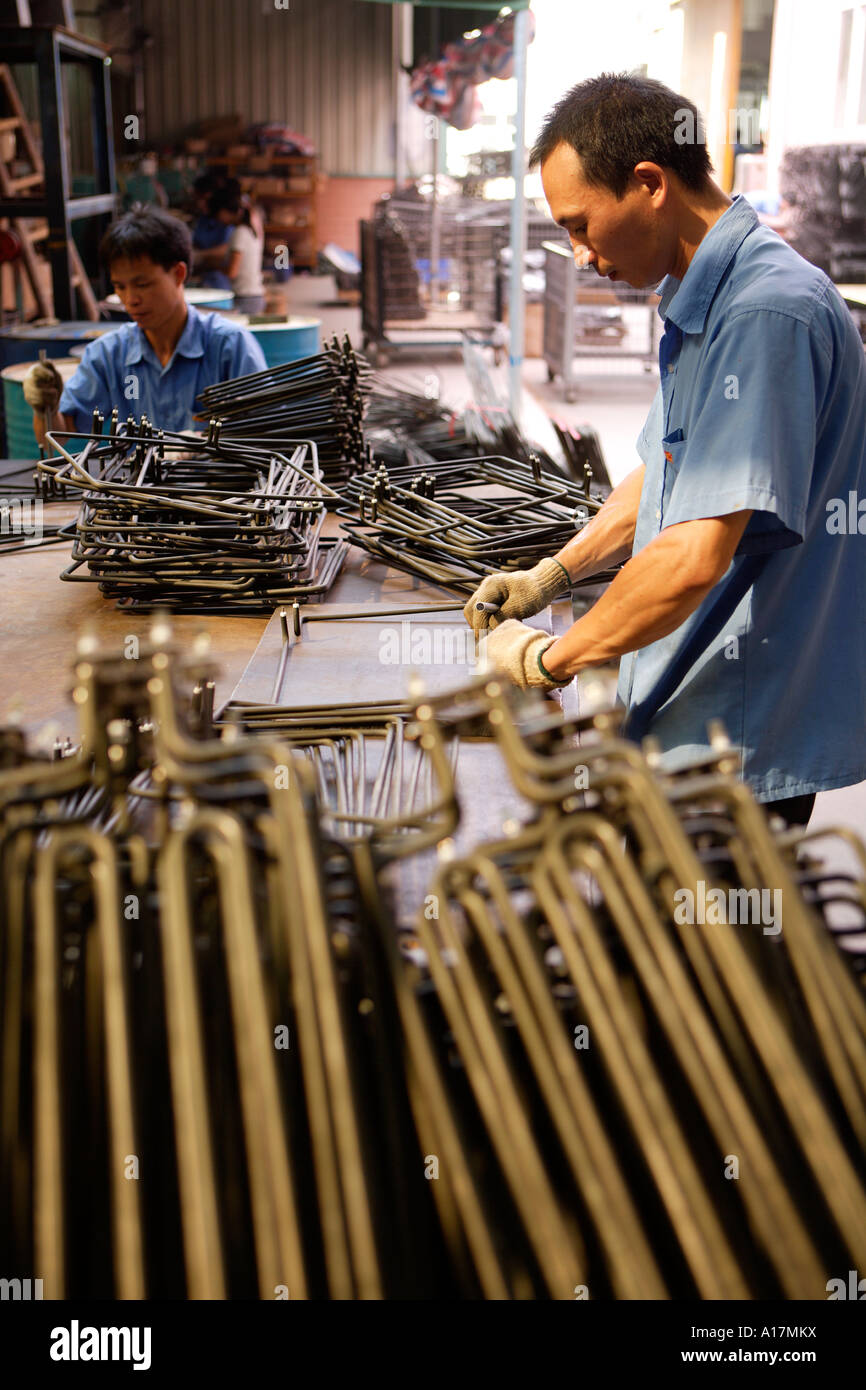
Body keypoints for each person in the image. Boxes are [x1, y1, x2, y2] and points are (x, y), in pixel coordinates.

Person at [465, 72, 866, 829]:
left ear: (649, 183)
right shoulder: (707, 297)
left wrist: (545, 660)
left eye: (580, 225)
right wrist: (552, 576)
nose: (579, 255)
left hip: (737, 739)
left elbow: (694, 556)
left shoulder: (767, 312)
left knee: (710, 944)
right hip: (688, 706)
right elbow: (664, 471)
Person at [23, 206, 266, 447]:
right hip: (133, 486)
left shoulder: (230, 347)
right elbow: (58, 436)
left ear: (178, 274)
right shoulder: (109, 355)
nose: (131, 299)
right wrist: (46, 408)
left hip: (215, 485)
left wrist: (206, 445)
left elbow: (268, 433)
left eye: (142, 284)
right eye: (120, 287)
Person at [209, 184, 266, 315]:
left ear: (224, 211)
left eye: (218, 215)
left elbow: (232, 271)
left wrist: (213, 265)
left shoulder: (239, 233)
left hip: (246, 298)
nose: (218, 220)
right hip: (255, 295)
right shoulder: (249, 229)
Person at [190, 172, 234, 290]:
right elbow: (196, 242)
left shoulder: (225, 219)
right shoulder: (202, 220)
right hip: (202, 278)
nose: (199, 204)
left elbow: (227, 249)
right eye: (197, 199)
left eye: (203, 199)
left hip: (221, 282)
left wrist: (200, 255)